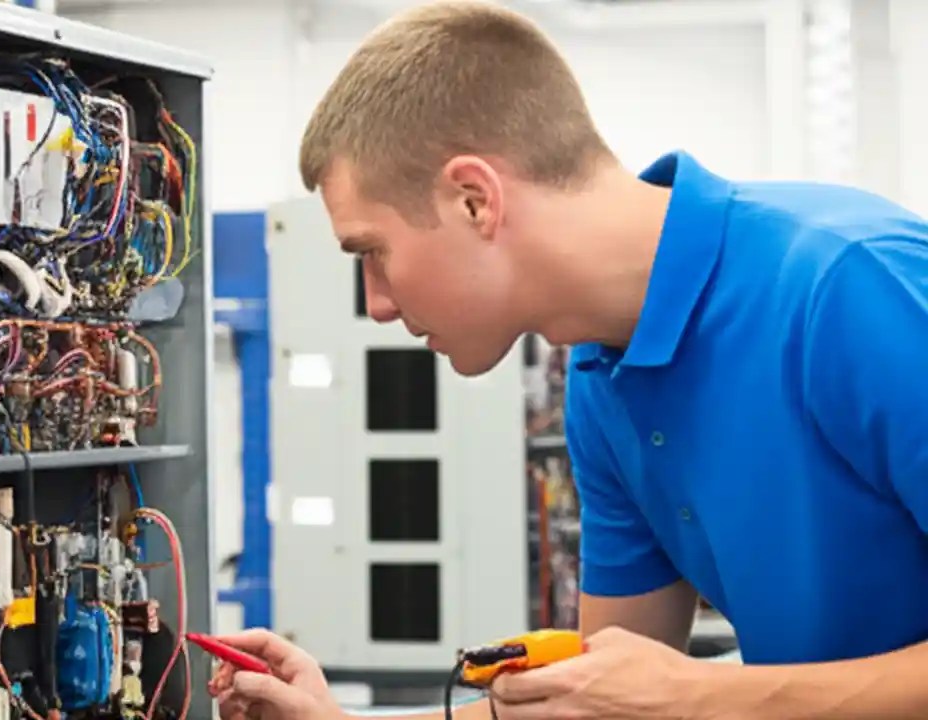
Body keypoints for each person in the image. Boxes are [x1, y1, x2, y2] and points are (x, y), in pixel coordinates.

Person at [209, 1, 928, 719]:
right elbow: (595, 705)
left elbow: (678, 699)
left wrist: (708, 697)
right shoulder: (601, 378)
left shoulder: (850, 286)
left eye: (372, 252)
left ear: (474, 201)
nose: (378, 305)